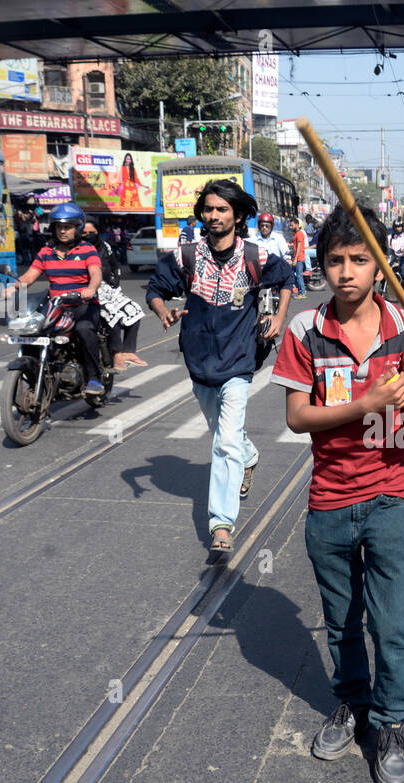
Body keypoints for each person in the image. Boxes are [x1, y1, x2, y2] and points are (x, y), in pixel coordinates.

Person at [272, 204, 404, 783]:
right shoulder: (305, 329)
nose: (347, 271)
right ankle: (351, 705)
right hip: (328, 499)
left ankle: (391, 724)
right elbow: (299, 417)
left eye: (360, 259)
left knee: (390, 620)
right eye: (335, 260)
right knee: (341, 620)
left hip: (390, 494)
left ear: (380, 267)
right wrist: (363, 406)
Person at [145, 180, 293, 558]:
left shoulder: (256, 257)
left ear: (237, 216)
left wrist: (278, 317)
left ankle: (221, 524)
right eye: (208, 209)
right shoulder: (187, 256)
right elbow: (155, 289)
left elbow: (287, 279)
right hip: (198, 361)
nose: (213, 215)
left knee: (224, 442)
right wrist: (165, 312)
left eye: (221, 209)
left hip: (239, 361)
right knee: (224, 434)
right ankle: (249, 455)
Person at [6, 202, 105, 397]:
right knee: (34, 332)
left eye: (67, 227)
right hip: (56, 306)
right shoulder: (46, 252)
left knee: (84, 329)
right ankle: (38, 373)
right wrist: (12, 287)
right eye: (59, 227)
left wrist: (90, 289)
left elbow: (96, 274)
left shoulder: (87, 249)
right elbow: (29, 277)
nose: (62, 231)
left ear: (78, 228)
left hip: (82, 304)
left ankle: (94, 378)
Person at [84, 220, 147, 371]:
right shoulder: (79, 250)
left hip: (109, 289)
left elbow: (114, 265)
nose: (87, 236)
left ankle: (128, 352)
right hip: (90, 291)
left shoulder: (105, 246)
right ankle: (116, 353)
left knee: (134, 310)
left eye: (91, 233)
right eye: (84, 233)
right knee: (113, 315)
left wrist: (115, 280)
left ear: (98, 232)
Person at [388, 221, 404, 293]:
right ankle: (383, 287)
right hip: (392, 258)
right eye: (396, 227)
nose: (397, 228)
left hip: (403, 258)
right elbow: (386, 247)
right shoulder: (390, 237)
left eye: (399, 226)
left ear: (402, 227)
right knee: (384, 273)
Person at [289, 217, 308, 299]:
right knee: (293, 274)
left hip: (299, 258)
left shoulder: (299, 234)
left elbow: (299, 247)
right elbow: (295, 244)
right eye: (290, 225)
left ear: (297, 225)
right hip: (296, 257)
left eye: (292, 225)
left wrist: (296, 259)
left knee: (299, 276)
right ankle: (299, 290)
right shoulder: (296, 234)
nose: (291, 227)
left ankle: (302, 293)